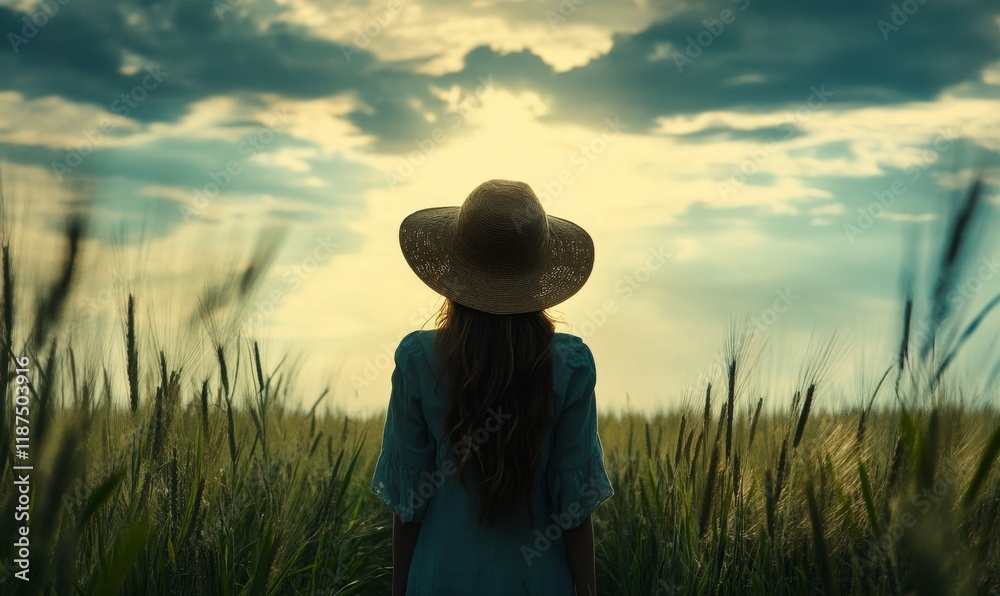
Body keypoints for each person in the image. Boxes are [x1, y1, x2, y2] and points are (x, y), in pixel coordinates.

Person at [371, 179, 614, 595]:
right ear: (539, 275)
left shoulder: (417, 359)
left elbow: (409, 505)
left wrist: (400, 589)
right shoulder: (569, 365)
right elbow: (574, 510)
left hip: (441, 577)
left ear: (455, 271)